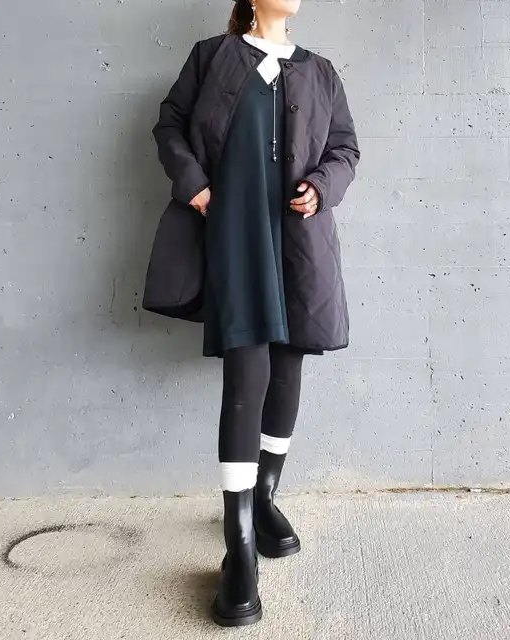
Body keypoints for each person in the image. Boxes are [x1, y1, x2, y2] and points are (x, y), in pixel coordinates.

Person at [149, 0, 360, 627]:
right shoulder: (212, 57)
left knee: (288, 370)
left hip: (299, 245)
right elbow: (169, 124)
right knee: (247, 376)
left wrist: (322, 186)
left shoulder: (320, 71)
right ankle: (237, 541)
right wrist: (194, 185)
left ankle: (265, 496)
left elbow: (345, 147)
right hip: (237, 239)